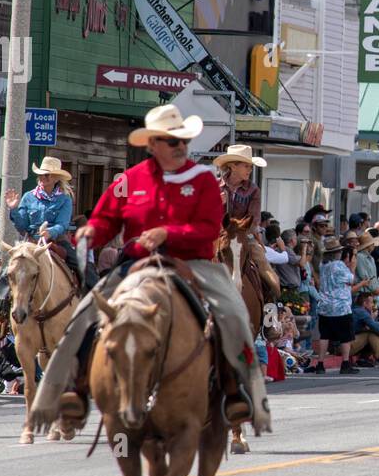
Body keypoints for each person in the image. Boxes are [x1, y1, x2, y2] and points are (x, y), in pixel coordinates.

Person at [35, 104, 269, 431]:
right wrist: (93, 231)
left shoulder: (201, 180)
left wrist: (168, 232)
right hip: (138, 259)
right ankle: (77, 389)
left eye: (181, 140)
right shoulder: (131, 180)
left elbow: (208, 226)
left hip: (193, 261)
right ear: (152, 144)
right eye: (169, 140)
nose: (178, 147)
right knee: (85, 314)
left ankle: (236, 391)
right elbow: (106, 217)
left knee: (233, 312)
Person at [2, 156, 92, 292]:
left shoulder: (64, 199)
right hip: (31, 241)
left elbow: (62, 224)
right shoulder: (28, 197)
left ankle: (95, 300)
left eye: (47, 175)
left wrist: (50, 232)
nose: (43, 178)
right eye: (41, 175)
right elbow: (22, 226)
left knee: (85, 268)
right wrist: (13, 209)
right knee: (8, 271)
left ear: (56, 178)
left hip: (57, 241)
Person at [314, 235, 358, 375]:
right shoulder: (339, 266)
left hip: (325, 305)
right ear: (337, 253)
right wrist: (352, 267)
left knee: (324, 335)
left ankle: (320, 364)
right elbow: (351, 280)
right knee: (346, 336)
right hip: (340, 306)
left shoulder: (323, 266)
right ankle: (345, 363)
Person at [349, 292, 379, 365]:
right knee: (371, 334)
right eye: (371, 302)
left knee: (370, 332)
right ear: (364, 303)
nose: (373, 305)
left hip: (348, 343)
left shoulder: (356, 309)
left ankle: (364, 358)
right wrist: (373, 318)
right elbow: (377, 328)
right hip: (346, 346)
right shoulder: (361, 312)